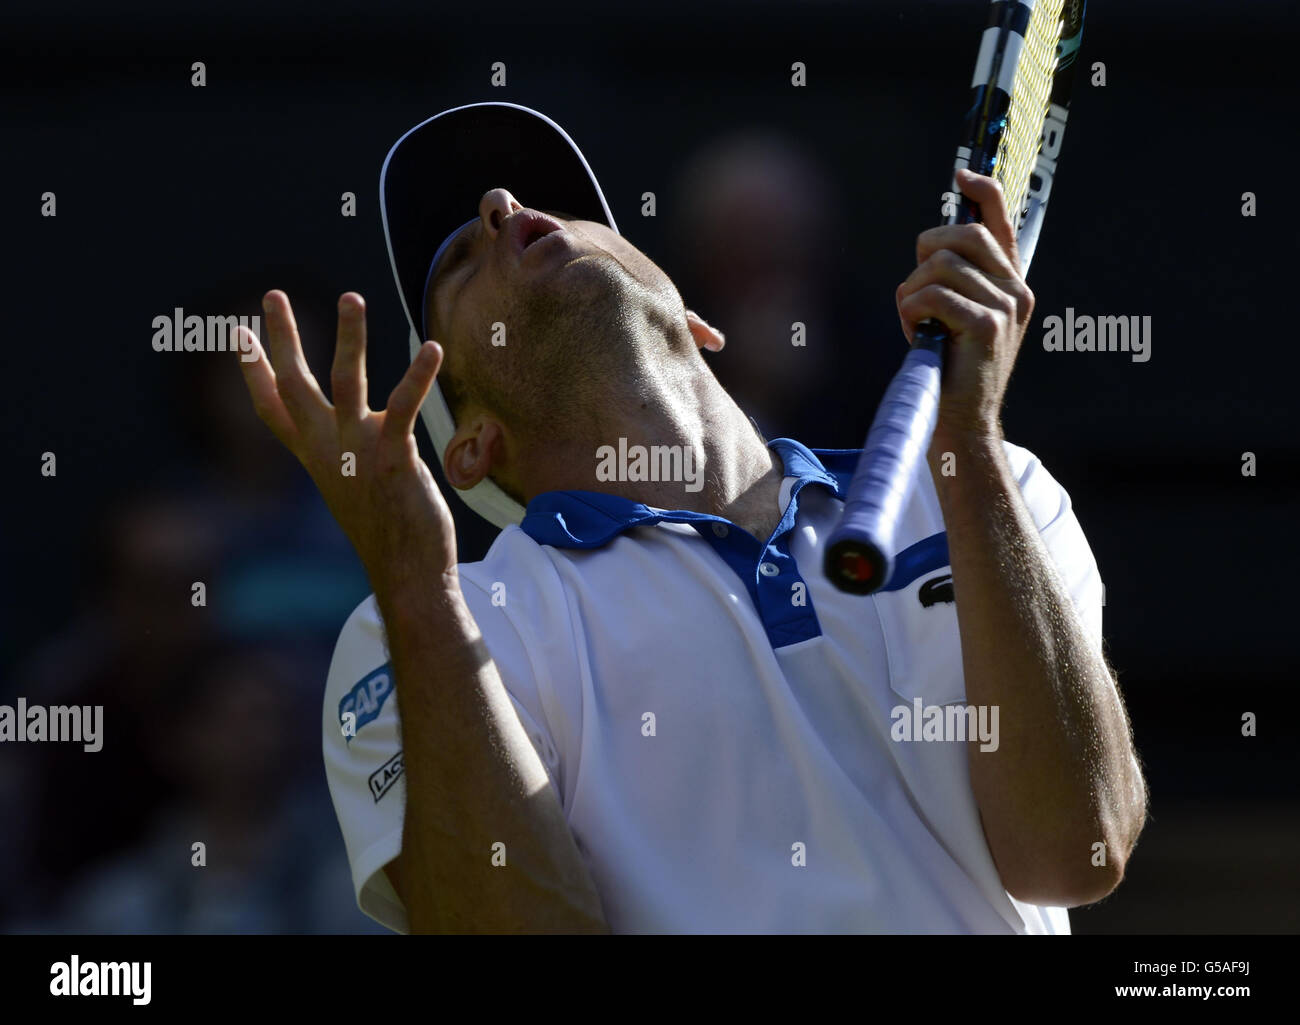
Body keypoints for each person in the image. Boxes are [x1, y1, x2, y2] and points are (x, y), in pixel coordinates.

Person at [234, 102, 1147, 934]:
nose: (505, 205)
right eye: (462, 261)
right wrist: (412, 587)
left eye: (556, 204)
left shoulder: (997, 483)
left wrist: (974, 451)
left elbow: (1077, 848)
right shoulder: (426, 626)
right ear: (469, 443)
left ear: (696, 315)